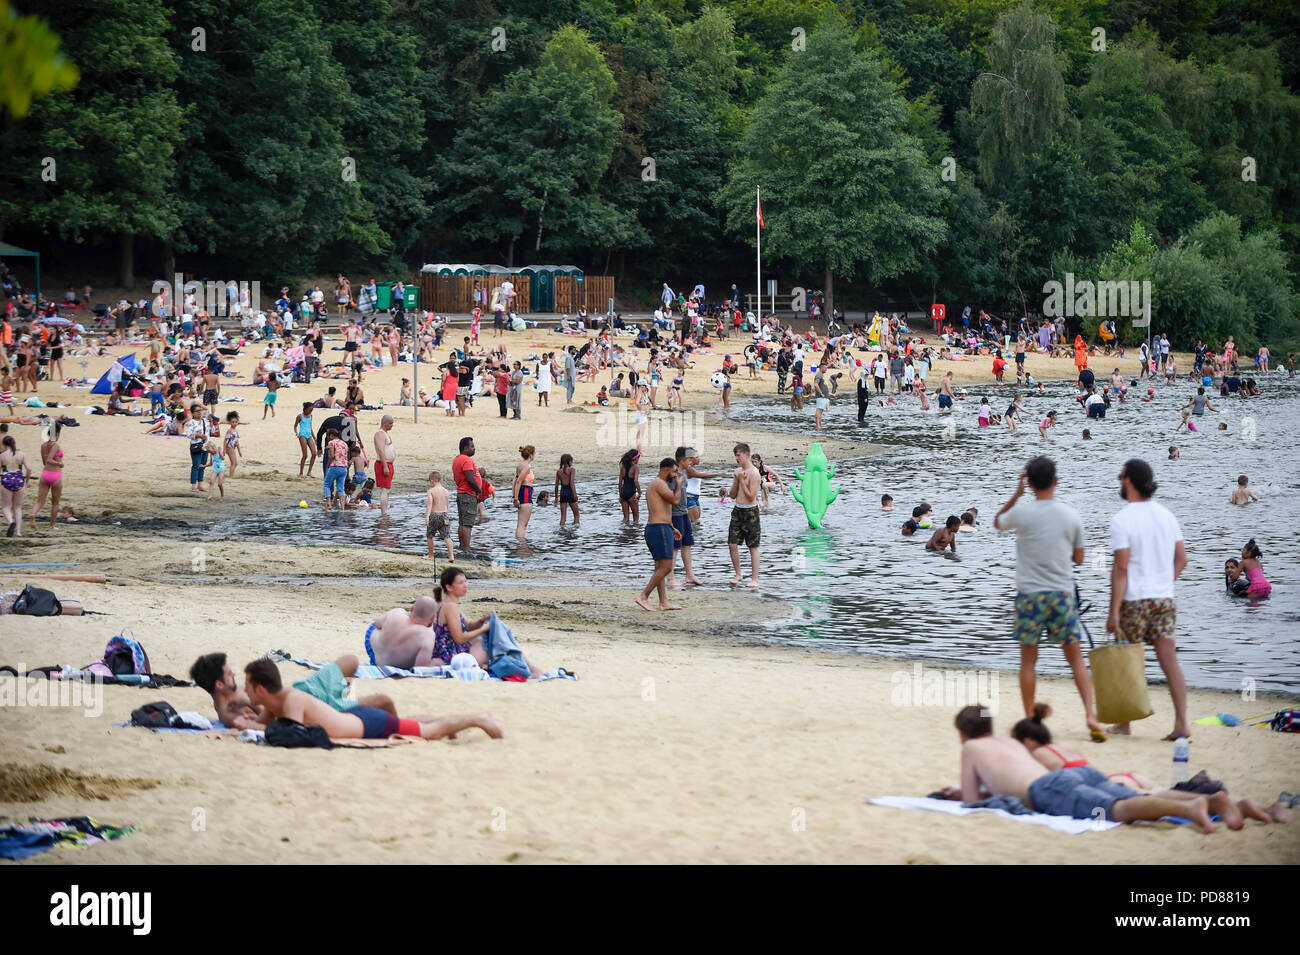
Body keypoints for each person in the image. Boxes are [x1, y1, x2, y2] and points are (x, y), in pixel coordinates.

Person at [950, 706, 1218, 831]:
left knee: (1120, 808)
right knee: (1134, 796)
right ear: (990, 728)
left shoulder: (970, 748)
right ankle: (1213, 802)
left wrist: (957, 794)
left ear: (963, 734)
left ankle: (1190, 808)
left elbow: (972, 800)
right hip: (1072, 774)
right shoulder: (1009, 741)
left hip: (1050, 787)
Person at [994, 457, 1104, 739]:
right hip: (1061, 595)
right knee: (1076, 658)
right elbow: (1079, 559)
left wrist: (1016, 495)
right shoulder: (1071, 516)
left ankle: (1031, 717)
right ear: (1056, 481)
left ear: (1029, 483)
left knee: (1029, 661)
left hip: (1029, 595)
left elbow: (997, 522)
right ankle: (1090, 715)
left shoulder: (1023, 514)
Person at [1106, 459, 1190, 741]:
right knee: (1169, 661)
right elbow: (1182, 560)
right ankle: (1181, 724)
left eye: (1121, 477)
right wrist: (1165, 582)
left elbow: (1121, 568)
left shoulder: (1122, 519)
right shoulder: (1166, 515)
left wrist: (1113, 610)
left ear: (1128, 480)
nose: (1119, 481)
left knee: (1129, 660)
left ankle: (1125, 723)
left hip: (1134, 599)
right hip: (1164, 598)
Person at [243, 657, 501, 741]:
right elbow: (269, 725)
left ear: (261, 690)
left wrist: (245, 726)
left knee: (426, 731)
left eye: (248, 687)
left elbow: (290, 732)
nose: (246, 691)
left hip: (368, 723)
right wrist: (245, 724)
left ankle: (477, 718)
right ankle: (457, 721)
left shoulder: (292, 700)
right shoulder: (282, 702)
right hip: (362, 721)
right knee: (409, 725)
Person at [191, 651, 393, 728]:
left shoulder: (236, 693)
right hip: (314, 705)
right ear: (218, 685)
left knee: (351, 661)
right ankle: (343, 708)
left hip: (304, 688)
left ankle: (342, 696)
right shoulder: (230, 713)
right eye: (229, 674)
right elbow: (271, 719)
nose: (234, 675)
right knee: (383, 702)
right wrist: (249, 703)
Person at [636, 457, 683, 612]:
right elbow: (675, 501)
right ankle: (643, 596)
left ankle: (663, 602)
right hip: (658, 529)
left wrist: (672, 527)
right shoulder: (659, 483)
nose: (676, 475)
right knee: (667, 567)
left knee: (660, 567)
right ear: (666, 470)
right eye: (674, 471)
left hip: (662, 527)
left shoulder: (659, 484)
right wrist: (679, 487)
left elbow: (661, 508)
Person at [727, 443, 762, 588]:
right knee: (732, 543)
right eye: (735, 455)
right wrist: (737, 479)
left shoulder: (754, 473)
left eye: (739, 455)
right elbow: (733, 495)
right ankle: (738, 574)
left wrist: (742, 480)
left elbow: (751, 496)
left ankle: (754, 579)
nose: (737, 458)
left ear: (746, 455)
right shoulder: (738, 472)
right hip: (737, 510)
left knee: (752, 546)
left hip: (750, 511)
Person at [451, 436, 483, 552]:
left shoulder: (457, 459)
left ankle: (462, 546)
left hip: (462, 493)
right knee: (468, 523)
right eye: (472, 446)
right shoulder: (466, 460)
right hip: (468, 494)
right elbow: (470, 478)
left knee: (463, 522)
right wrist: (479, 490)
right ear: (465, 448)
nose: (474, 449)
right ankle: (466, 547)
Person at [1, 433, 31, 537]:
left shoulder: (2, 455)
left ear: (4, 445)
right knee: (17, 507)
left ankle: (10, 522)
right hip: (19, 480)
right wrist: (27, 481)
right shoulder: (21, 454)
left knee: (6, 506)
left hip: (6, 480)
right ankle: (18, 532)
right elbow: (29, 468)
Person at [423, 470, 453, 562]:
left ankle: (431, 555)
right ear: (441, 480)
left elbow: (430, 504)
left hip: (434, 515)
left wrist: (427, 517)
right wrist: (445, 513)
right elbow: (447, 504)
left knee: (430, 535)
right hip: (445, 515)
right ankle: (451, 556)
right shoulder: (446, 491)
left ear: (432, 481)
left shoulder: (431, 491)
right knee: (447, 536)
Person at [512, 444, 536, 541]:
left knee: (521, 524)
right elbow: (518, 482)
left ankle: (519, 546)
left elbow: (514, 481)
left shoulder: (520, 465)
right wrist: (516, 499)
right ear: (531, 455)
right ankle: (521, 547)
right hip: (525, 494)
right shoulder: (526, 466)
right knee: (522, 525)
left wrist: (514, 495)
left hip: (523, 493)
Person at [373, 415, 395, 516]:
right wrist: (385, 466)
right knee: (385, 489)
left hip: (389, 463)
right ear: (384, 423)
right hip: (383, 464)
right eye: (390, 423)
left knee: (387, 489)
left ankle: (385, 511)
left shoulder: (385, 434)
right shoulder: (380, 434)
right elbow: (381, 450)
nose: (392, 425)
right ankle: (384, 513)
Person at [554, 453, 579, 526]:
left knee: (563, 517)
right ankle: (576, 529)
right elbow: (571, 483)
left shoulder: (559, 471)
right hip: (570, 492)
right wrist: (575, 495)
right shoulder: (572, 470)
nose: (572, 463)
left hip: (562, 493)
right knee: (576, 515)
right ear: (569, 461)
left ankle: (562, 530)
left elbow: (556, 486)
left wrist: (556, 497)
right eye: (571, 461)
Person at [618, 448, 641, 524]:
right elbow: (635, 481)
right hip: (631, 494)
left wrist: (620, 495)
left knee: (625, 518)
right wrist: (640, 493)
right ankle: (634, 534)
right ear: (636, 458)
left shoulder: (623, 467)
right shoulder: (636, 467)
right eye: (638, 458)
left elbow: (620, 482)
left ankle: (624, 532)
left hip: (623, 493)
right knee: (636, 517)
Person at [294, 402, 316, 477]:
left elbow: (310, 427)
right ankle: (301, 472)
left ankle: (309, 471)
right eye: (309, 410)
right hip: (302, 435)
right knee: (305, 455)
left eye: (311, 410)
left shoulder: (311, 416)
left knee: (314, 453)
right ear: (305, 409)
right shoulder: (300, 416)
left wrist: (314, 437)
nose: (310, 411)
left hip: (309, 435)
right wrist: (296, 433)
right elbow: (295, 426)